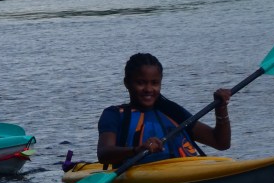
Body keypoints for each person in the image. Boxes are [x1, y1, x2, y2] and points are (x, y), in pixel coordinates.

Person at [97, 52, 233, 166]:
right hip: (140, 179)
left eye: (154, 83)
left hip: (185, 173)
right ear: (127, 83)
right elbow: (104, 154)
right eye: (140, 83)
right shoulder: (114, 114)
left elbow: (220, 143)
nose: (148, 89)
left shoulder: (171, 111)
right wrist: (137, 150)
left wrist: (221, 108)